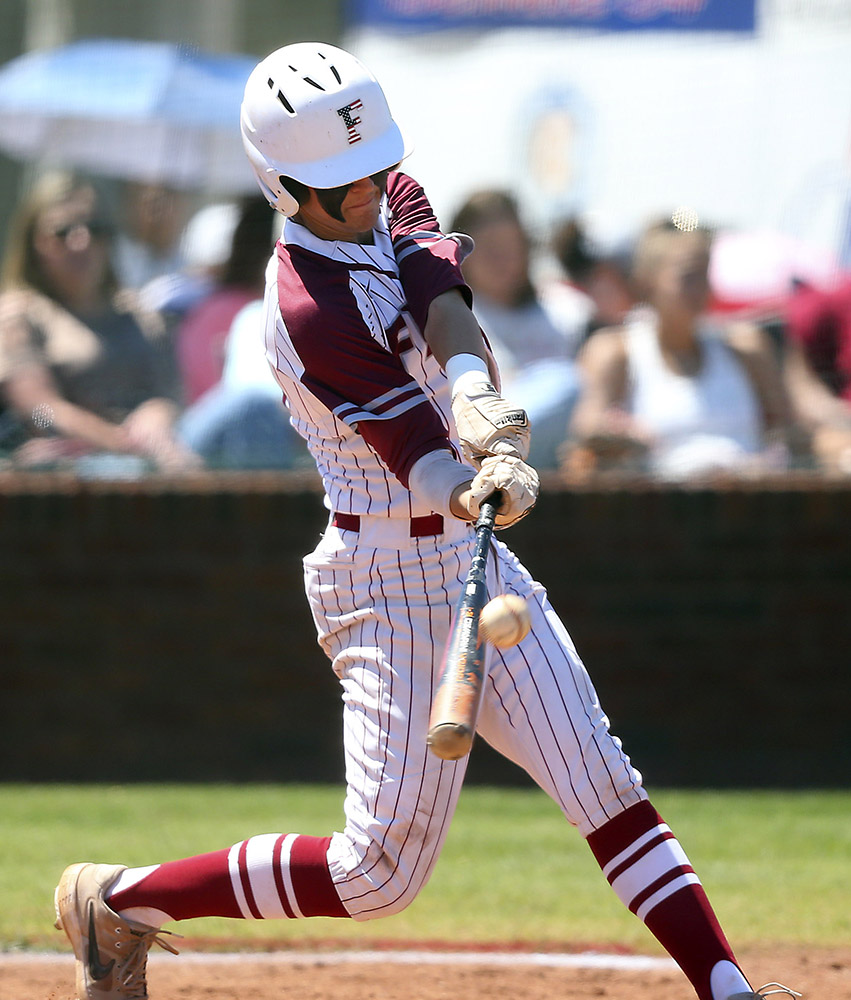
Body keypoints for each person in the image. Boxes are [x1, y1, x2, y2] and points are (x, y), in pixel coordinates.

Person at [52, 42, 801, 1000]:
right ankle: (121, 900)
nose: (368, 189)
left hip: (465, 566)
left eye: (372, 168)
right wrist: (476, 483)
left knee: (603, 783)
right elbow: (415, 453)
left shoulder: (381, 183)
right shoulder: (305, 309)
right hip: (381, 582)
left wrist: (475, 389)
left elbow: (438, 298)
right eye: (343, 184)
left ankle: (728, 990)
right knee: (377, 876)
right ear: (284, 186)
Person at [564, 217, 806, 482]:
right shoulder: (615, 352)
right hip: (658, 502)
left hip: (746, 499)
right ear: (648, 281)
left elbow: (790, 433)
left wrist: (770, 459)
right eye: (689, 277)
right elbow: (584, 433)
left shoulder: (746, 348)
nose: (702, 289)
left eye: (705, 275)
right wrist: (616, 434)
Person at [0, 171, 199, 474]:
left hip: (160, 450)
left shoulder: (139, 313)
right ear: (34, 242)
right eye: (63, 232)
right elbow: (37, 411)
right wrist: (113, 440)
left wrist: (158, 413)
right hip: (73, 465)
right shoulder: (21, 315)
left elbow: (174, 395)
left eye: (95, 229)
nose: (82, 241)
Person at [448, 189, 583, 468]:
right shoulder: (452, 315)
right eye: (489, 248)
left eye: (510, 246)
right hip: (480, 453)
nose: (501, 259)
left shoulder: (567, 311)